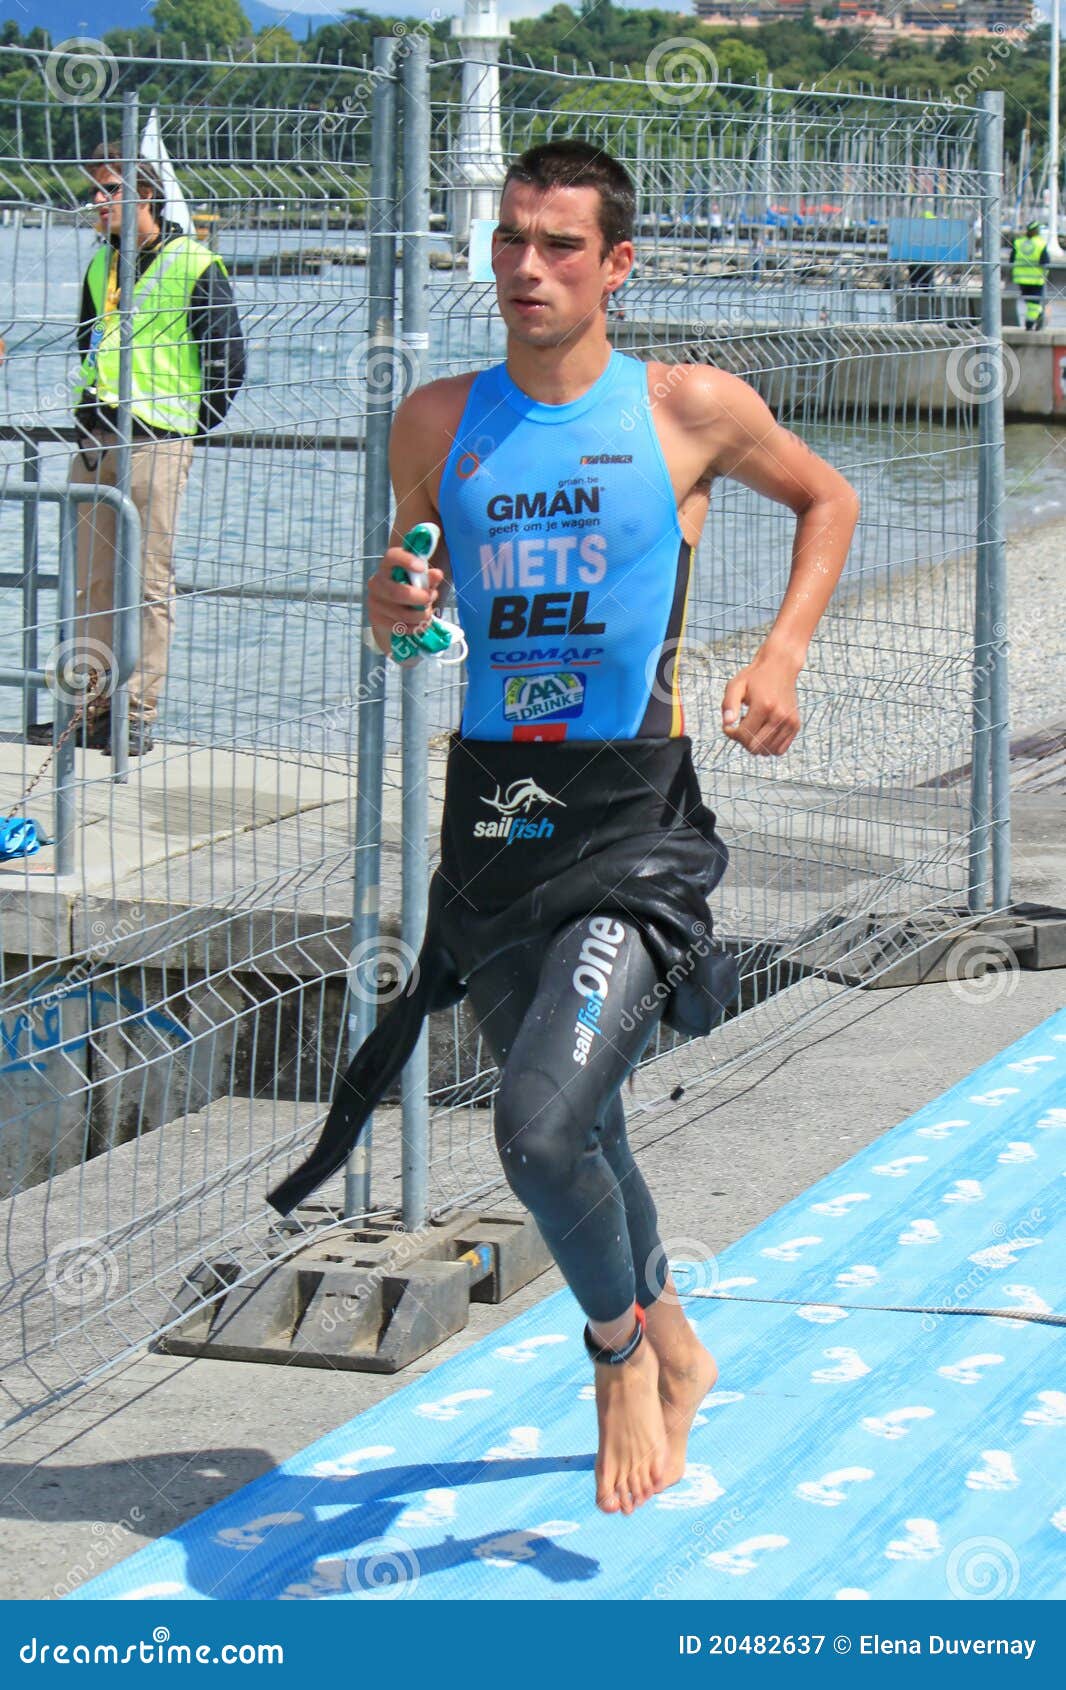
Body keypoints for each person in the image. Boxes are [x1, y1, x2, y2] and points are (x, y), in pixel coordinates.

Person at [271, 139, 859, 1519]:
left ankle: (612, 1355)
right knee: (578, 1125)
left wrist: (779, 656)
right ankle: (677, 1337)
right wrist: (397, 610)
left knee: (535, 1133)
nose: (525, 270)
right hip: (491, 828)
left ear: (616, 264)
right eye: (508, 245)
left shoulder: (685, 408)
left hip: (630, 826)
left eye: (557, 247)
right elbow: (406, 597)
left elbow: (827, 497)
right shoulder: (434, 418)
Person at [27, 140, 245, 755]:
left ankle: (137, 711)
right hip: (98, 438)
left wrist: (184, 429)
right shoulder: (102, 265)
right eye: (95, 190)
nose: (98, 201)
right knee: (88, 583)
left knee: (148, 583)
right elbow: (85, 343)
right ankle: (86, 710)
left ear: (146, 192)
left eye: (111, 189)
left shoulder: (195, 262)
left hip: (158, 439)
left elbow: (227, 361)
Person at [1010, 219, 1050, 331]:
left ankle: (1038, 317)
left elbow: (1012, 259)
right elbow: (1045, 261)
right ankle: (1030, 323)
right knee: (1034, 303)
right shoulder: (1040, 243)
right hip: (1036, 279)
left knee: (1030, 302)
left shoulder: (1018, 242)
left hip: (1021, 278)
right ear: (1037, 231)